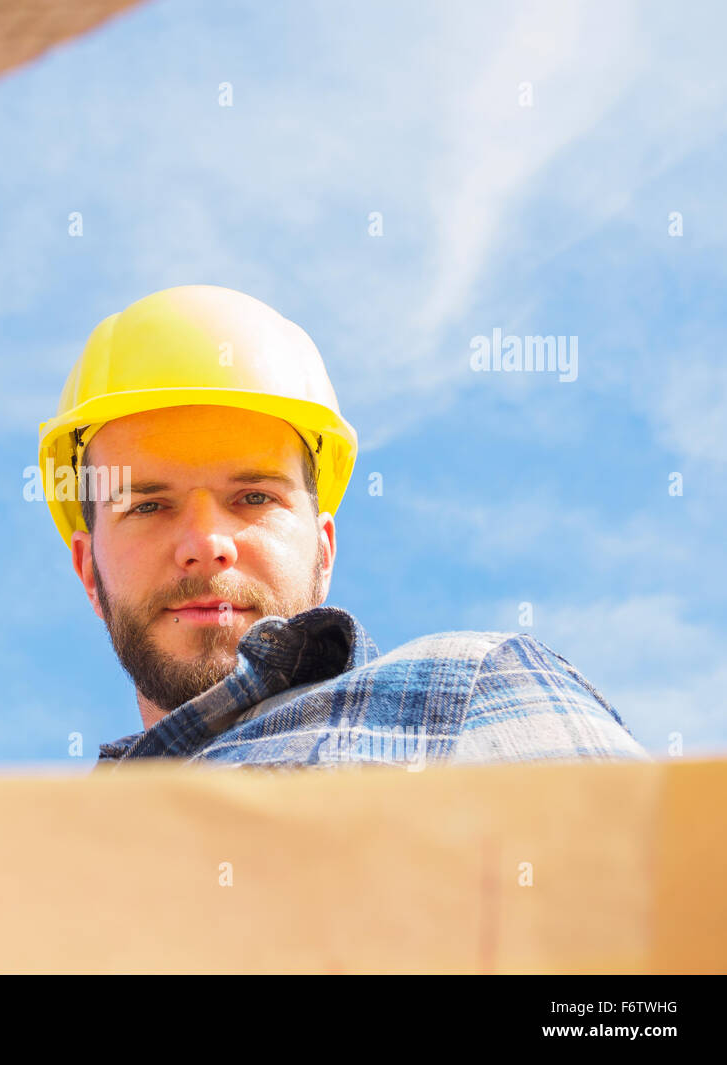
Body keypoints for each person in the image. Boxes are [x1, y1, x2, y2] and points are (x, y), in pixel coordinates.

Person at [37, 285, 649, 769]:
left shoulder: (467, 693)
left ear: (323, 554)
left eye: (253, 496)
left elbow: (642, 913)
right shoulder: (53, 848)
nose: (206, 545)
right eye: (147, 505)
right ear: (89, 571)